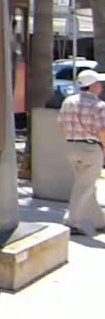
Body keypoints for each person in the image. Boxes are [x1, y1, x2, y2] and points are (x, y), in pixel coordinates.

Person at [57, 69, 105, 236]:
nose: (101, 86)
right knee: (84, 186)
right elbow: (102, 131)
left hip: (72, 147)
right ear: (91, 86)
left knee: (85, 184)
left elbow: (61, 125)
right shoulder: (99, 106)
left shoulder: (68, 101)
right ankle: (72, 222)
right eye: (98, 83)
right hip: (91, 148)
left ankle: (99, 220)